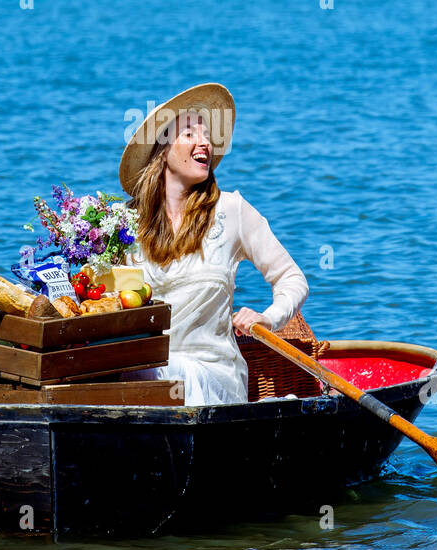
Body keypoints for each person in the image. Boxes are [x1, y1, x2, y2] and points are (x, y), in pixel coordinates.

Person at [119, 82, 308, 407]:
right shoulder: (123, 224)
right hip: (145, 372)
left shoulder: (231, 210)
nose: (204, 142)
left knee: (155, 373)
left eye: (206, 135)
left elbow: (292, 279)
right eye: (190, 134)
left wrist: (269, 317)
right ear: (162, 149)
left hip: (213, 375)